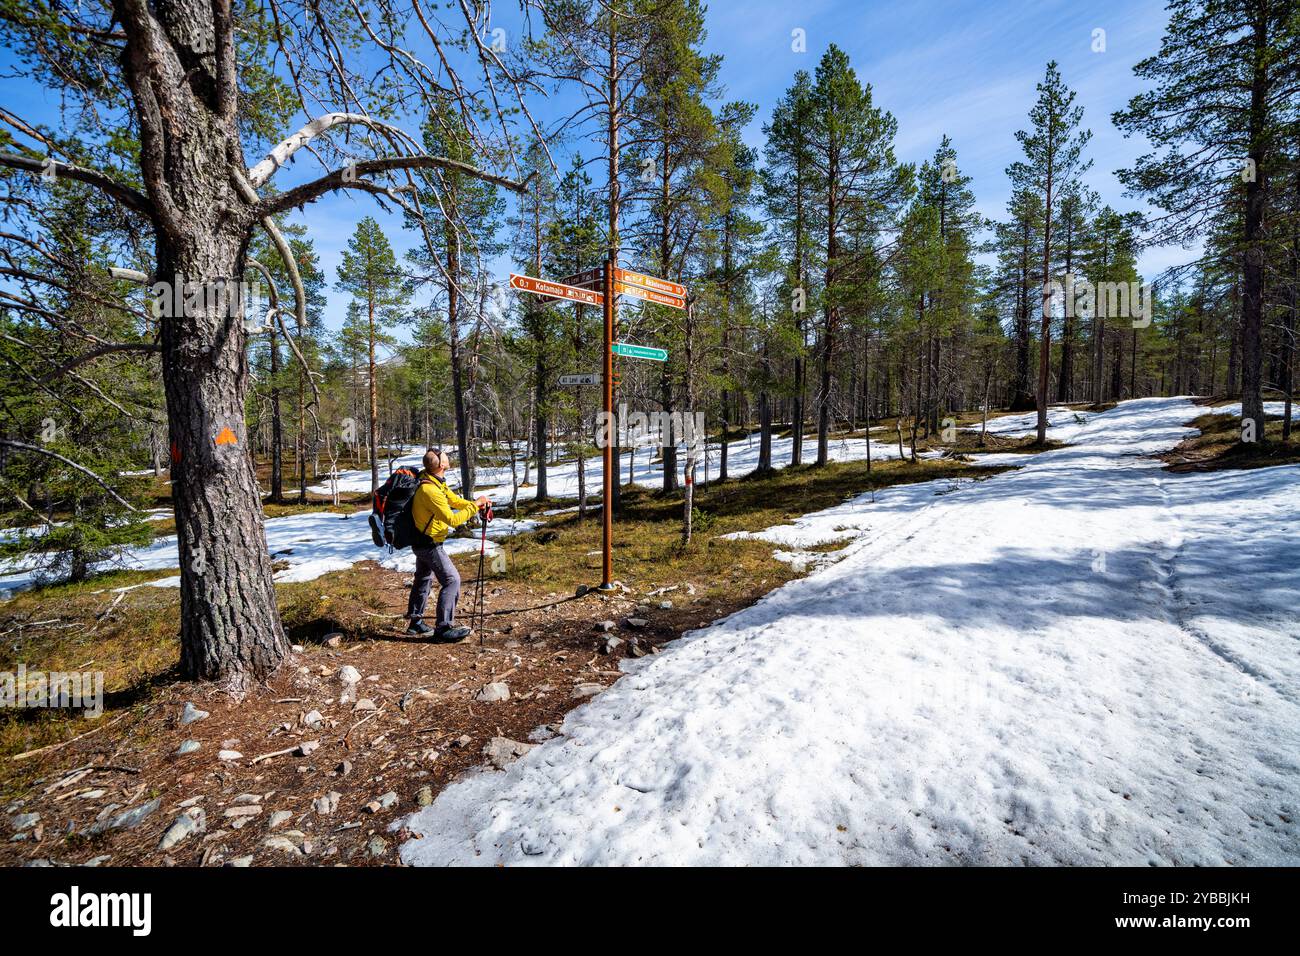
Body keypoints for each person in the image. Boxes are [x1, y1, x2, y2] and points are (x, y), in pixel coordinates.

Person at [405, 448, 490, 640]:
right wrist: (475, 506)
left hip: (422, 540)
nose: (446, 456)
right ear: (441, 465)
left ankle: (415, 623)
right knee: (452, 580)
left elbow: (454, 501)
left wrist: (476, 503)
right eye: (443, 455)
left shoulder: (432, 480)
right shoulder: (430, 490)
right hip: (429, 544)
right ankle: (443, 628)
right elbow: (453, 520)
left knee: (423, 579)